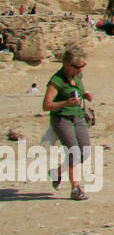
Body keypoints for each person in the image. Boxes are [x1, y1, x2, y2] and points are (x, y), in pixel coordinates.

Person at [43, 45, 94, 200]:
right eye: (78, 67)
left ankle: (56, 172)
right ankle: (75, 189)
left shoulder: (78, 76)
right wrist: (66, 103)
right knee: (73, 152)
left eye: (83, 66)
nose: (81, 69)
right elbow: (46, 105)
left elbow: (79, 89)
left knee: (84, 152)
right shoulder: (56, 81)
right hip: (62, 119)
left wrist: (85, 94)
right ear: (67, 65)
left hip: (77, 117)